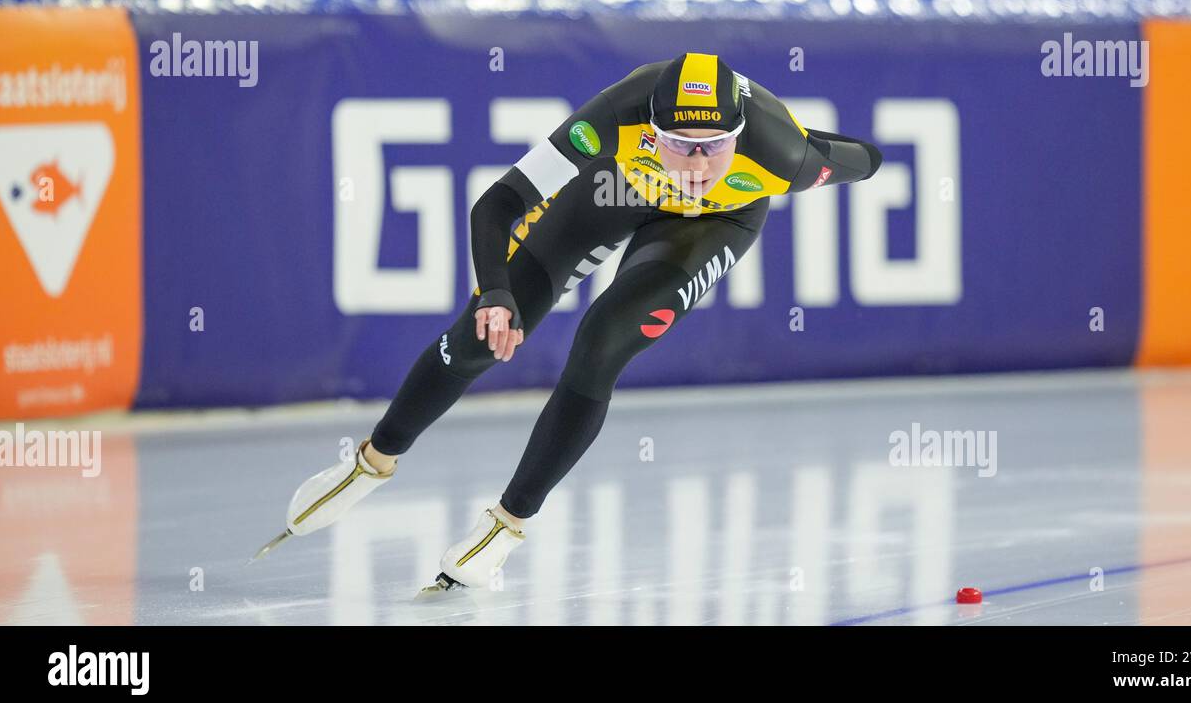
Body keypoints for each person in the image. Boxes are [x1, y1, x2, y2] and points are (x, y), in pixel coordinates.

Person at [258, 53, 882, 593]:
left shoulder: (785, 153)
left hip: (715, 224)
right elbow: (498, 202)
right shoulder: (614, 114)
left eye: (714, 146)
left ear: (741, 133)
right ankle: (372, 461)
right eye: (678, 143)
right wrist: (494, 295)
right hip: (616, 187)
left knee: (602, 343)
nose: (694, 165)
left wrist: (811, 138)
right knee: (482, 332)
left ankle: (506, 526)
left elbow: (865, 159)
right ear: (650, 127)